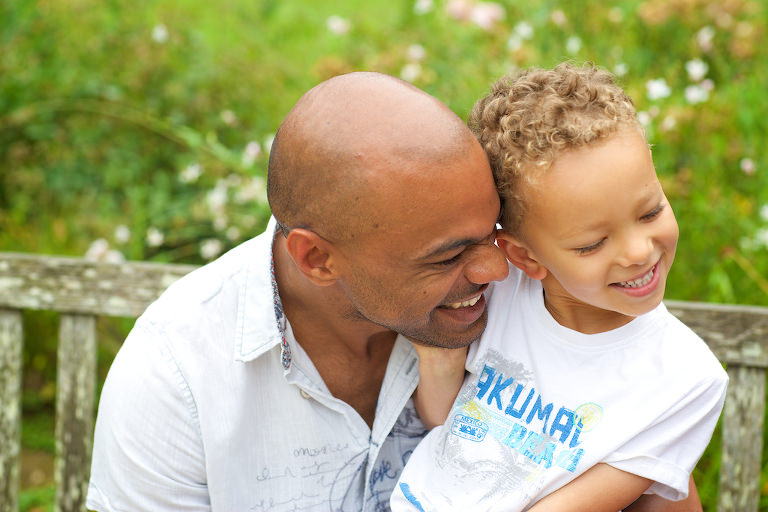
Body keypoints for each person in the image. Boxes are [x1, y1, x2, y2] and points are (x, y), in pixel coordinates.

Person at [86, 71, 706, 511]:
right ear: (317, 258)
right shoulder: (176, 379)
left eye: (491, 232)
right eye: (448, 254)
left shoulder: (517, 303)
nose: (495, 268)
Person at [391, 63, 728, 512]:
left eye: (650, 212)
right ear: (527, 258)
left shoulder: (684, 379)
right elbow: (445, 429)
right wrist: (441, 356)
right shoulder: (499, 296)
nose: (638, 252)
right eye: (592, 244)